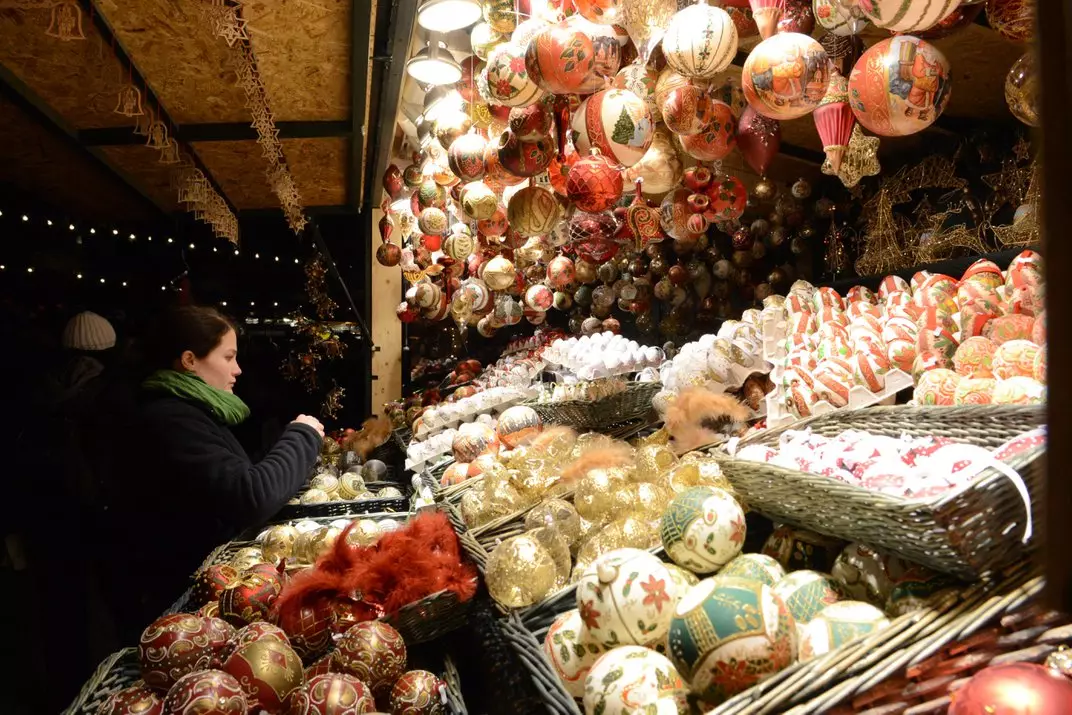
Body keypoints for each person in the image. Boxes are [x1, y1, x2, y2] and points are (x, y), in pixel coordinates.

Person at [107, 306, 324, 638]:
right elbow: (252, 495)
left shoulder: (193, 412)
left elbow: (239, 476)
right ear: (190, 360)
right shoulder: (171, 420)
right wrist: (301, 436)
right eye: (228, 357)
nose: (237, 369)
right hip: (180, 606)